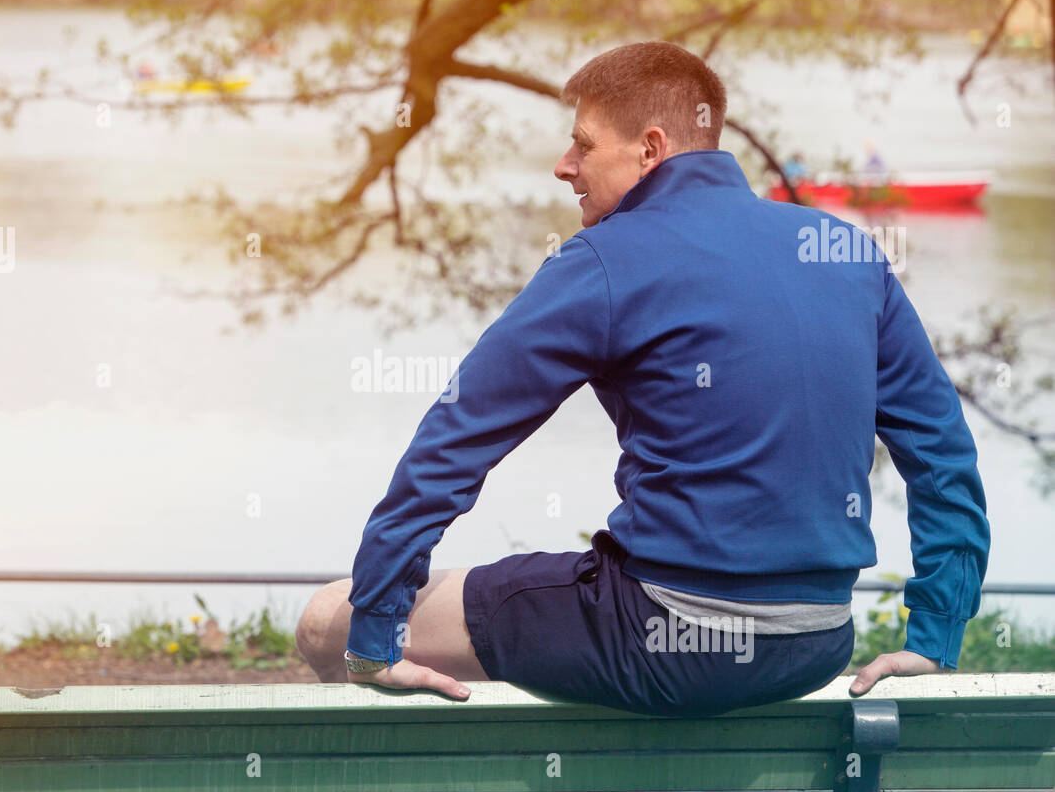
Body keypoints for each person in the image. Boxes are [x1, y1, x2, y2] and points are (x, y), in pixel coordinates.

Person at [295, 42, 989, 717]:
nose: (564, 167)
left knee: (329, 619)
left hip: (662, 641)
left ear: (650, 149)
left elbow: (457, 437)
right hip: (815, 643)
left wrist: (376, 628)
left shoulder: (602, 261)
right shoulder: (844, 248)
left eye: (584, 145)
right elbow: (942, 450)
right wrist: (935, 635)